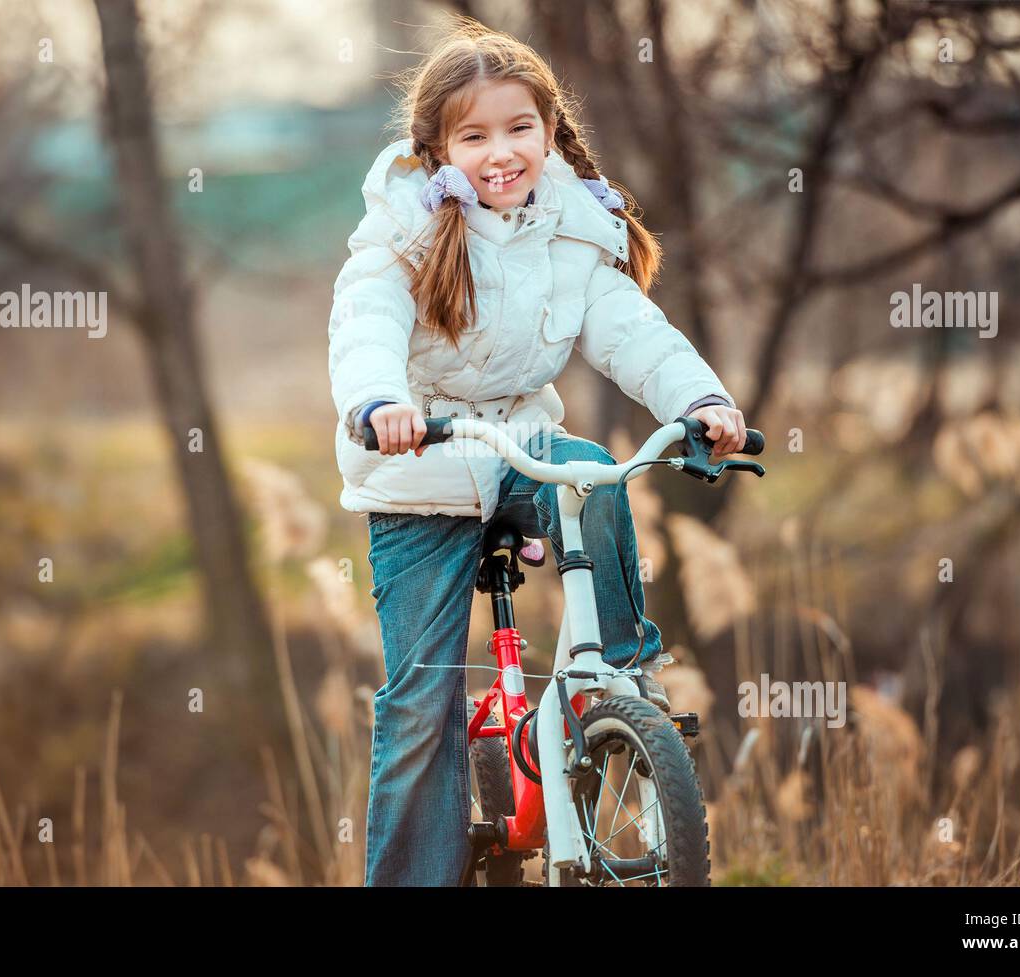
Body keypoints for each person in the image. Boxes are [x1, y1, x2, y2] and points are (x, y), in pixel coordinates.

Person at [327, 17, 746, 886]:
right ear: (439, 148)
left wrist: (700, 401)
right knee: (419, 709)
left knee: (593, 467)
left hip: (516, 446)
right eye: (473, 135)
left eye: (519, 128)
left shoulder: (574, 230)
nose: (500, 152)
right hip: (421, 469)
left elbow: (636, 334)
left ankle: (620, 673)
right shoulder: (402, 234)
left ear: (551, 131)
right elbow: (365, 324)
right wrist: (381, 404)